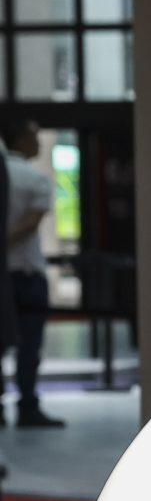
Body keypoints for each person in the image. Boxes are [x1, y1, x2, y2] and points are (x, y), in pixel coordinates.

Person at [3, 115, 60, 427]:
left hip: (7, 272)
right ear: (21, 140)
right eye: (34, 137)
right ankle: (27, 405)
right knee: (29, 346)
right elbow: (31, 223)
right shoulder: (35, 179)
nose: (38, 142)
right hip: (25, 272)